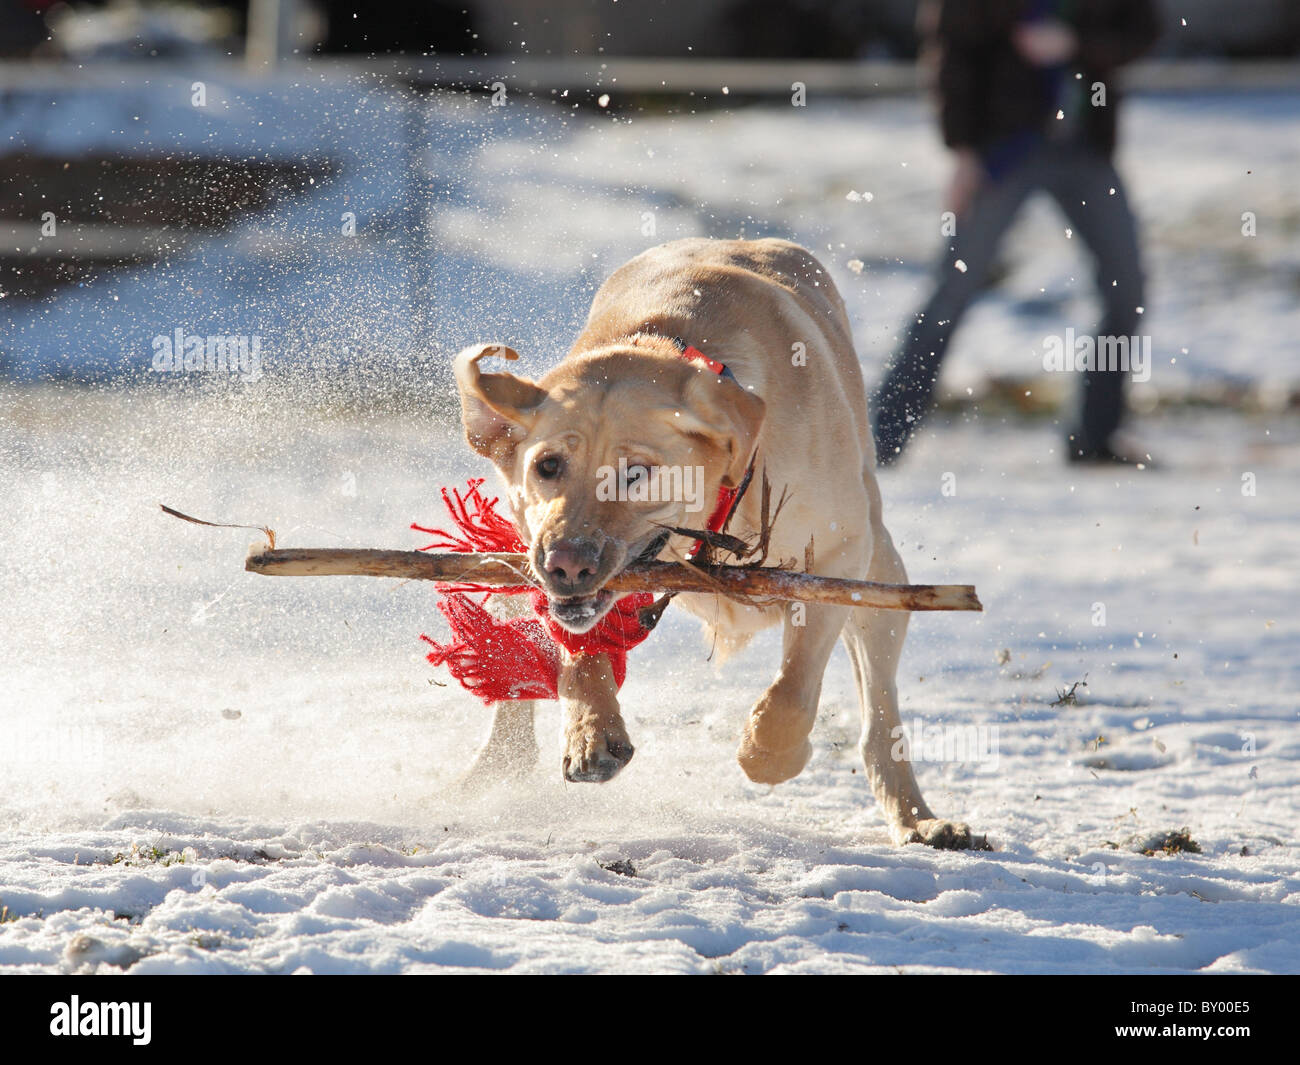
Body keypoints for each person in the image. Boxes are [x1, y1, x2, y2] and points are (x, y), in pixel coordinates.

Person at [871, 0, 1161, 465]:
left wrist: (1077, 45)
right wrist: (963, 151)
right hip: (1001, 151)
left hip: (1087, 146)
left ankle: (1095, 439)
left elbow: (1143, 30)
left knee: (1127, 290)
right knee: (954, 289)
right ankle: (879, 441)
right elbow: (951, 52)